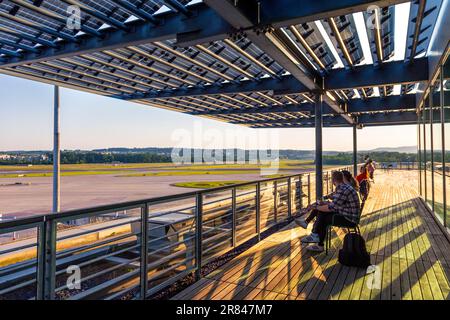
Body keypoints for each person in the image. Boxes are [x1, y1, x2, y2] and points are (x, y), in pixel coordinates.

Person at [299, 171, 361, 253]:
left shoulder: (343, 189)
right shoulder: (343, 187)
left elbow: (331, 207)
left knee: (323, 215)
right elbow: (334, 200)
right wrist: (322, 202)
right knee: (322, 211)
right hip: (347, 214)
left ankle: (316, 238)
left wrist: (315, 206)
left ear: (333, 180)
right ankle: (314, 234)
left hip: (350, 219)